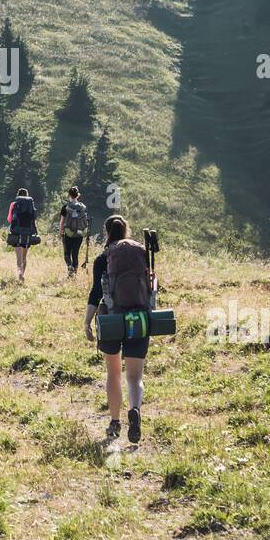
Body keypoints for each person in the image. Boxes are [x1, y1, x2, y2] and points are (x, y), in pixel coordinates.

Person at [84, 215, 151, 443]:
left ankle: (115, 422)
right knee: (135, 377)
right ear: (126, 231)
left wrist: (87, 321)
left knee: (113, 373)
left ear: (106, 232)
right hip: (139, 319)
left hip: (111, 319)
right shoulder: (141, 254)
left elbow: (95, 292)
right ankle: (135, 409)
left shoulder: (102, 259)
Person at [6, 186, 38, 283]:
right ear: (27, 195)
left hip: (17, 232)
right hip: (28, 232)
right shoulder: (30, 204)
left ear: (18, 195)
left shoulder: (14, 204)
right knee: (24, 256)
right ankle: (23, 274)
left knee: (18, 256)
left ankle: (20, 275)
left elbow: (9, 219)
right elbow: (34, 217)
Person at [58, 185, 90, 277]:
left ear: (69, 195)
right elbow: (85, 220)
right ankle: (74, 274)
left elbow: (62, 222)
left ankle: (70, 267)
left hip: (68, 233)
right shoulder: (83, 208)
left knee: (67, 253)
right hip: (79, 233)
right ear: (78, 195)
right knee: (75, 253)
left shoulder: (66, 207)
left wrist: (61, 232)